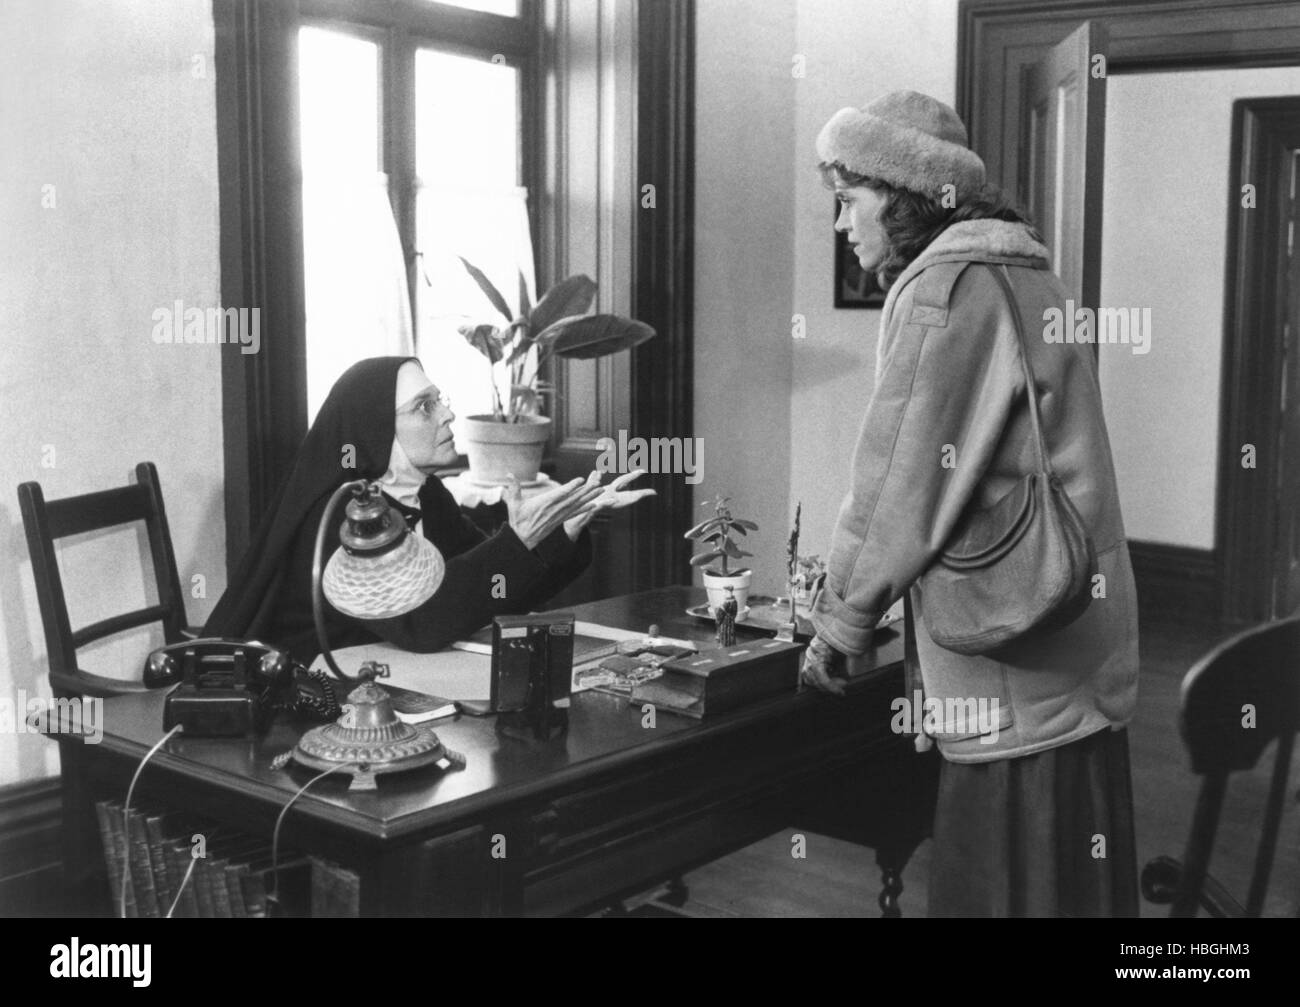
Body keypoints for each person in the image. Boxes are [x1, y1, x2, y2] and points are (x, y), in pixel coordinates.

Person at [801, 91, 1139, 917]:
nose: (841, 225)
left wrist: (839, 620)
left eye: (849, 201)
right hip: (1077, 647)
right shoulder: (1026, 271)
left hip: (1014, 667)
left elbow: (894, 487)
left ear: (905, 194)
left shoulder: (943, 289)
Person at [204, 356, 653, 662]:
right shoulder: (347, 513)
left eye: (439, 400)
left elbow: (495, 591)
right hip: (317, 701)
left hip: (396, 678)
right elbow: (424, 624)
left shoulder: (425, 493)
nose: (446, 416)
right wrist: (519, 541)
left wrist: (562, 528)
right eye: (424, 407)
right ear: (377, 429)